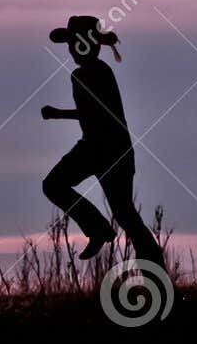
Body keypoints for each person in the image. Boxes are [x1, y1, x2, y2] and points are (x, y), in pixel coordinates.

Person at [40, 16, 166, 269]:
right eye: (70, 45)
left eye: (75, 44)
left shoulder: (90, 73)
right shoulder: (94, 72)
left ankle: (99, 230)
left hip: (101, 147)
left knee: (55, 186)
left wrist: (58, 113)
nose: (71, 50)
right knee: (125, 213)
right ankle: (151, 266)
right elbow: (94, 112)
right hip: (110, 147)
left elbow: (97, 112)